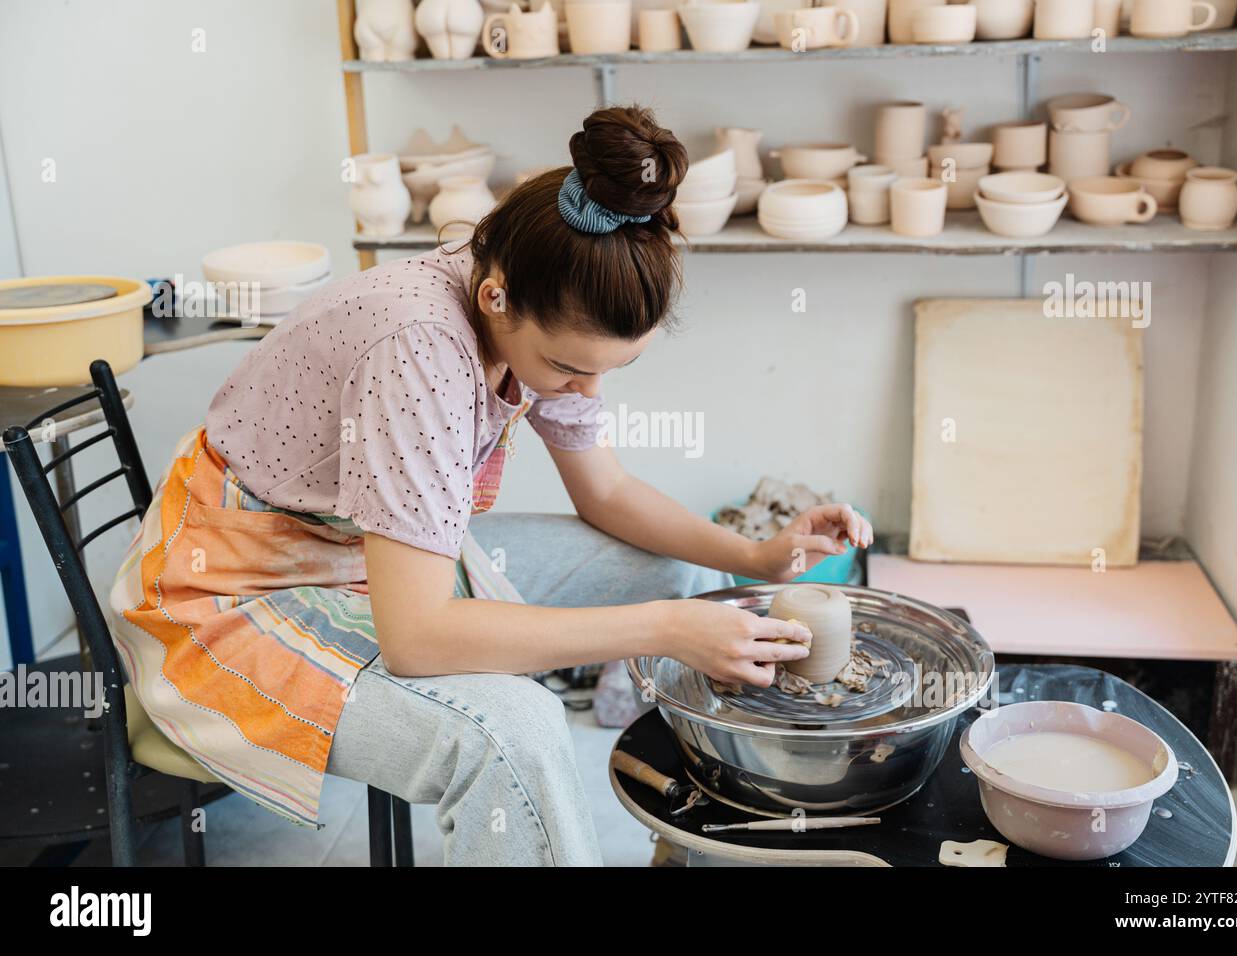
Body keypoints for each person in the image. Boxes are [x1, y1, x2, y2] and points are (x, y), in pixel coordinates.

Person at [110, 105, 871, 865]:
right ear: (494, 297)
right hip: (233, 595)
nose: (586, 389)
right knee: (519, 730)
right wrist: (667, 629)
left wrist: (757, 557)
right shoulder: (419, 349)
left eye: (610, 369)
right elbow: (418, 638)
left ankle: (697, 842)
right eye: (571, 369)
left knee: (679, 574)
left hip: (366, 559)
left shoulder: (535, 294)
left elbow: (603, 491)